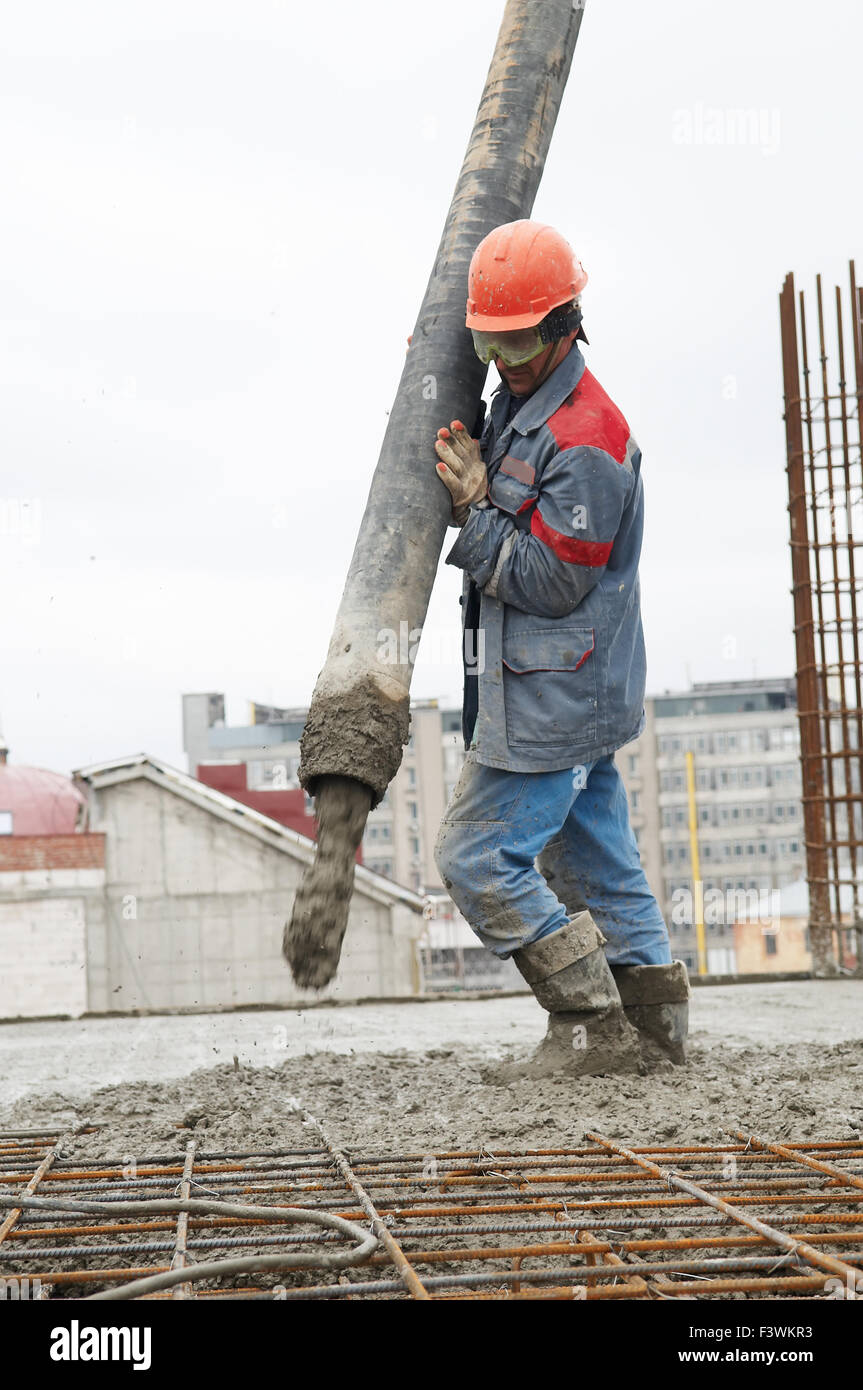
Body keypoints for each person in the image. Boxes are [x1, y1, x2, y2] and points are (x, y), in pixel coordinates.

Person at [432, 219, 688, 1077]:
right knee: (592, 858)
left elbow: (548, 581)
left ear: (566, 324)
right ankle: (656, 1036)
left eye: (518, 343)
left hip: (552, 695)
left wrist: (473, 511)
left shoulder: (587, 439)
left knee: (476, 857)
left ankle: (592, 1028)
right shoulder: (521, 397)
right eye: (486, 343)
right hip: (568, 687)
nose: (501, 363)